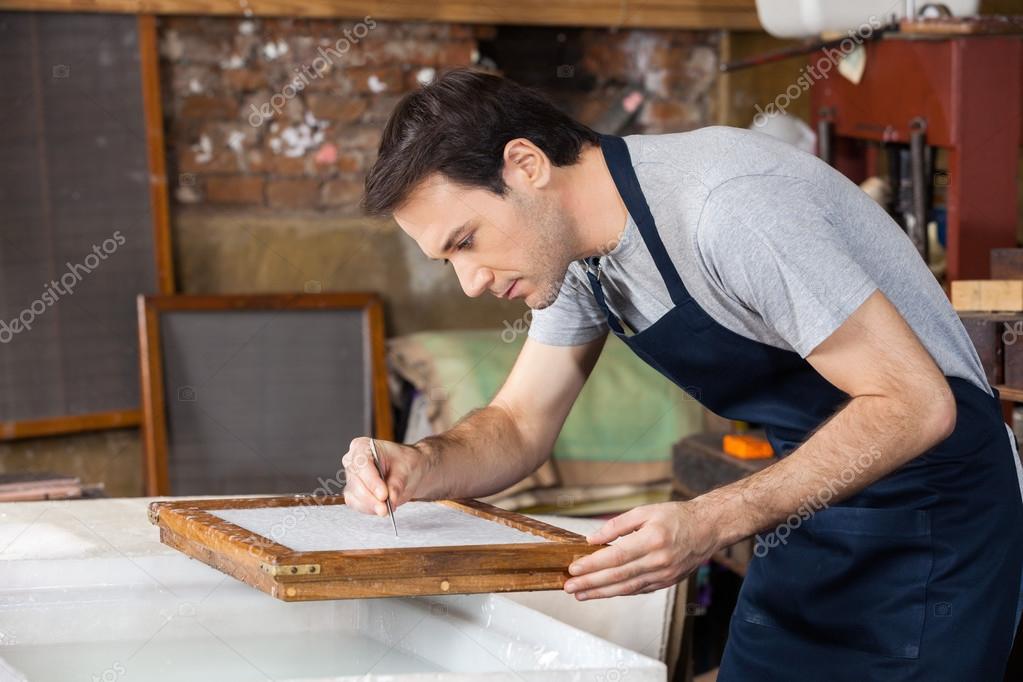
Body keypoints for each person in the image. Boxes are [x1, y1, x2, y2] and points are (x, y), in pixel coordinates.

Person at [342, 68, 1023, 679]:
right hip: (807, 518)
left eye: (466, 241)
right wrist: (420, 465)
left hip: (930, 526)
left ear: (525, 165)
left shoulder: (724, 208)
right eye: (445, 259)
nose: (468, 281)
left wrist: (708, 519)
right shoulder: (576, 256)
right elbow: (519, 425)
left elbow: (914, 405)